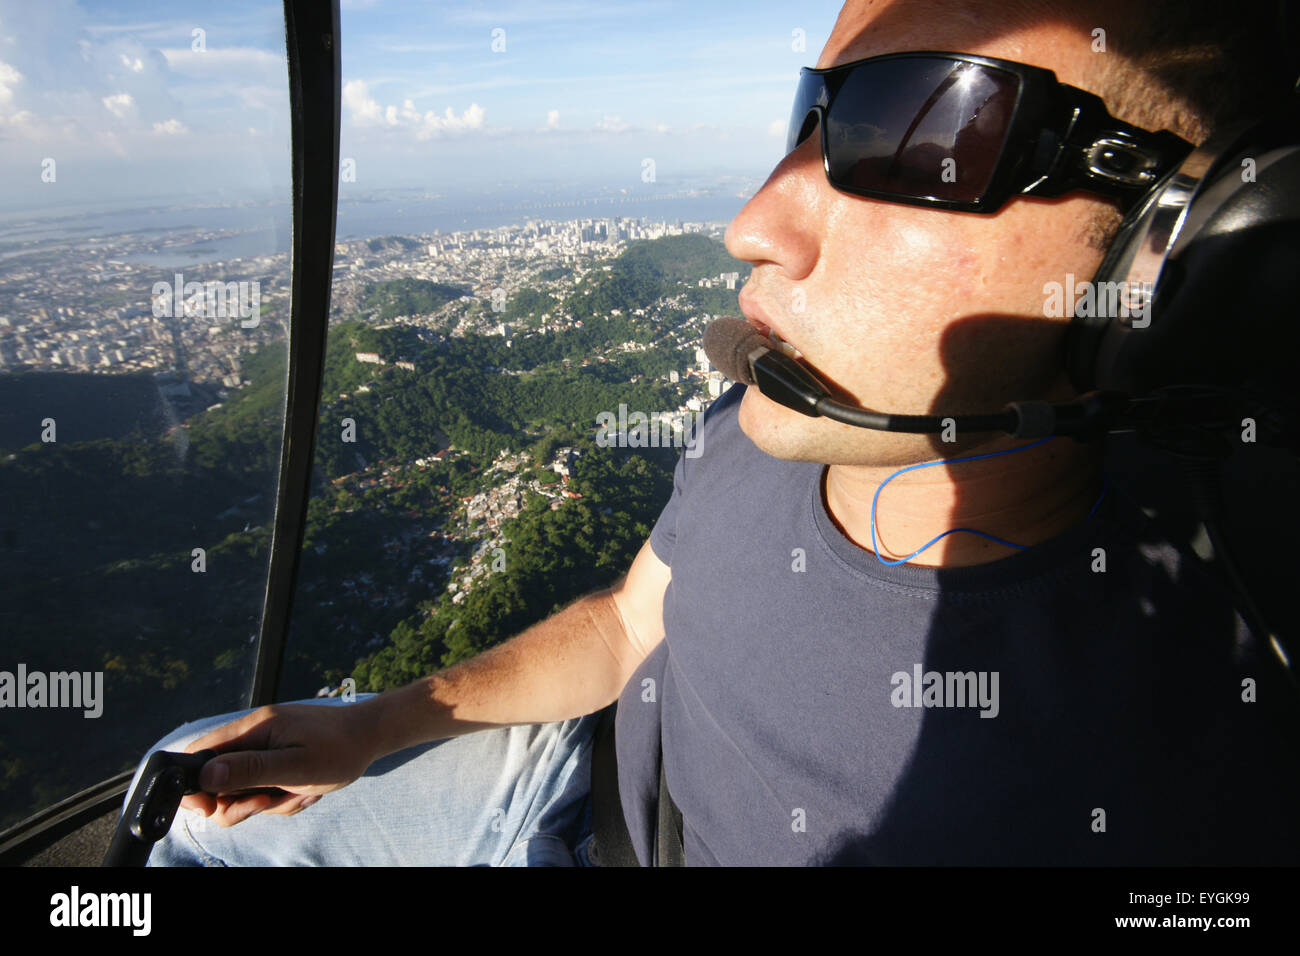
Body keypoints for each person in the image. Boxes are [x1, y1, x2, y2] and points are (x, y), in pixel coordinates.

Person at [129, 0, 1300, 865]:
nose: (751, 223)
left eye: (920, 134)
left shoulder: (1180, 766)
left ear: (1177, 245)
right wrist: (377, 720)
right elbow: (633, 618)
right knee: (183, 777)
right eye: (815, 117)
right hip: (581, 778)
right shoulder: (765, 422)